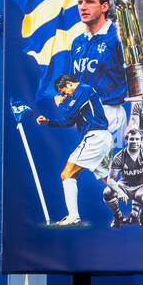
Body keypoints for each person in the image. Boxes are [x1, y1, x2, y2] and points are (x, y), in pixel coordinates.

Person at [36, 74, 112, 226]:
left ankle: (73, 216)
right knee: (109, 180)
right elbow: (68, 121)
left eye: (64, 92)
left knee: (66, 174)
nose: (64, 95)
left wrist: (59, 104)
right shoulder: (78, 97)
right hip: (102, 138)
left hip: (95, 137)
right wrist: (48, 122)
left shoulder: (84, 90)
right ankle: (135, 198)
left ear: (70, 84)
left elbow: (67, 112)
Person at [67, 0, 128, 146]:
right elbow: (75, 81)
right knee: (98, 171)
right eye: (80, 2)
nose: (83, 7)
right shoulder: (78, 42)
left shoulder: (118, 37)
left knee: (108, 169)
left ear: (104, 7)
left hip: (109, 112)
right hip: (85, 114)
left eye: (90, 2)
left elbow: (136, 76)